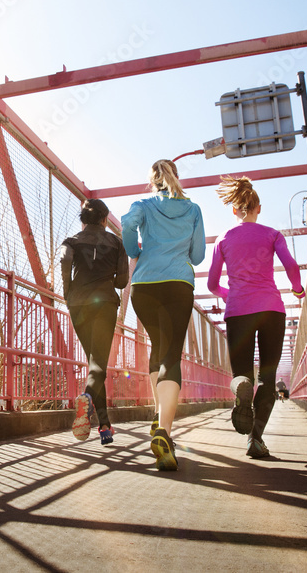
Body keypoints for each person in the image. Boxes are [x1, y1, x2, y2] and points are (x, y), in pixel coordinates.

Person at [207, 176, 305, 459]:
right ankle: (255, 439)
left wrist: (229, 294)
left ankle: (240, 386)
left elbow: (212, 284)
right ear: (257, 208)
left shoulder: (223, 239)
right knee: (269, 377)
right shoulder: (272, 234)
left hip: (238, 311)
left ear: (234, 210)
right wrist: (297, 291)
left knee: (242, 374)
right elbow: (291, 267)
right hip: (271, 310)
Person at [121, 159, 205, 471]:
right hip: (177, 284)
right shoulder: (192, 209)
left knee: (158, 347)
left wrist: (135, 251)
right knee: (171, 354)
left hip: (143, 286)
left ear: (153, 180)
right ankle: (164, 433)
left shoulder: (142, 204)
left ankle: (159, 417)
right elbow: (197, 255)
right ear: (175, 177)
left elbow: (127, 225)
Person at [60, 198, 130, 445]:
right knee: (98, 364)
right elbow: (122, 282)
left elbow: (64, 260)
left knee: (94, 363)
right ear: (104, 219)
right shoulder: (117, 243)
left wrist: (68, 292)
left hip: (78, 304)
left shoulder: (71, 241)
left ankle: (104, 425)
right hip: (104, 305)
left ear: (84, 220)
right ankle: (87, 398)